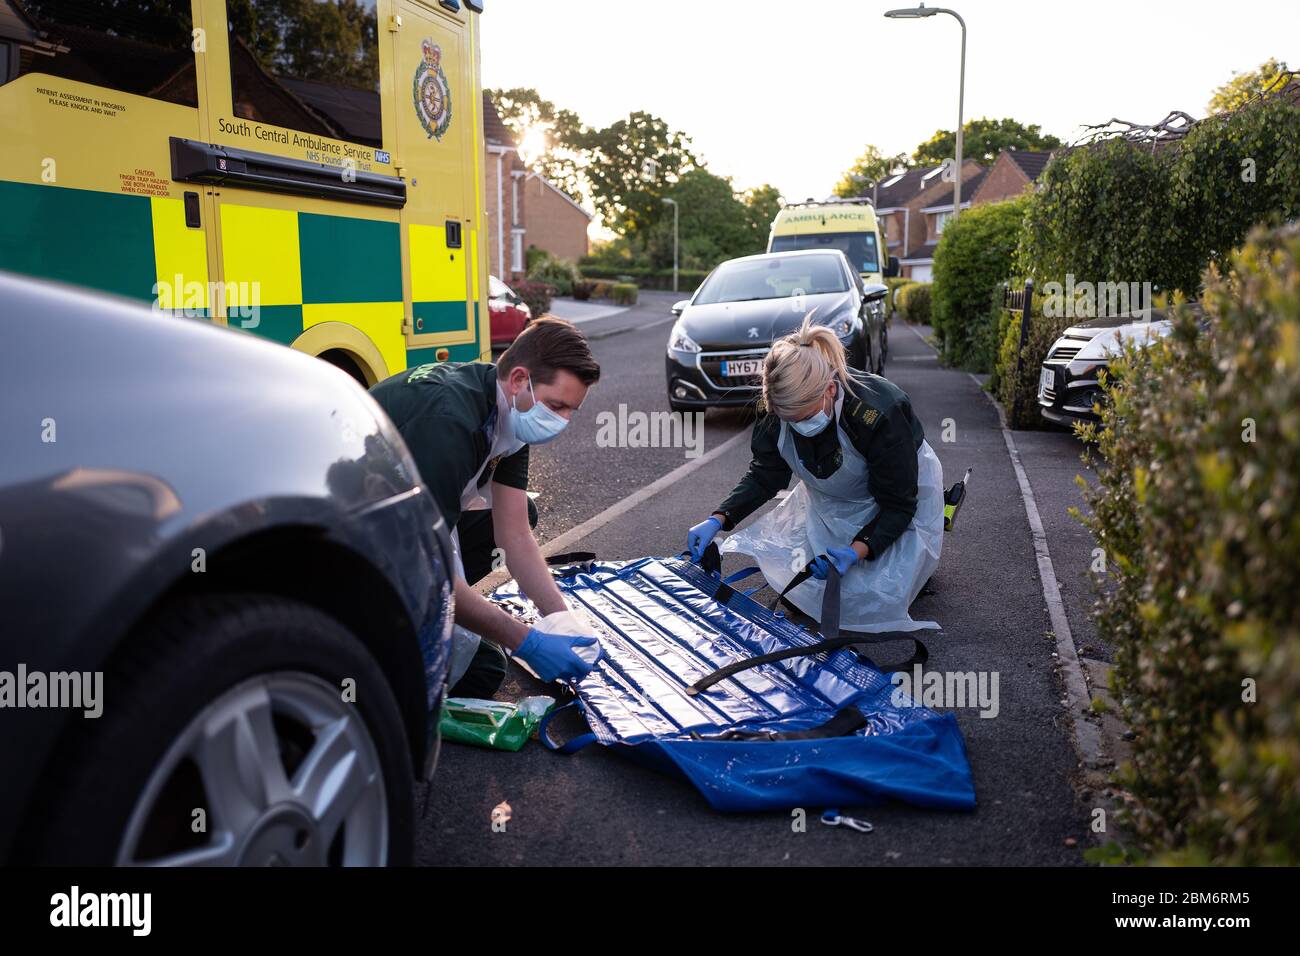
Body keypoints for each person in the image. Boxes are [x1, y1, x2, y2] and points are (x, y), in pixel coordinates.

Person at [370, 318, 602, 696]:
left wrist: (561, 620)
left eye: (570, 411)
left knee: (522, 511)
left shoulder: (512, 413)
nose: (561, 422)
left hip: (396, 527)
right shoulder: (449, 421)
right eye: (557, 405)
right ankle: (381, 628)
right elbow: (422, 565)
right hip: (347, 543)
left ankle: (412, 618)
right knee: (482, 670)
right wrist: (527, 641)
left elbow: (514, 533)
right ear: (518, 379)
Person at [687, 318, 944, 633]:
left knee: (875, 602)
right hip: (831, 497)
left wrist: (855, 550)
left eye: (804, 417)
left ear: (830, 389)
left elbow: (899, 504)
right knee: (803, 597)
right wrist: (719, 518)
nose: (797, 426)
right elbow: (765, 476)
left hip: (894, 496)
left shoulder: (879, 412)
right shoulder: (779, 408)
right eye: (788, 420)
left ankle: (910, 560)